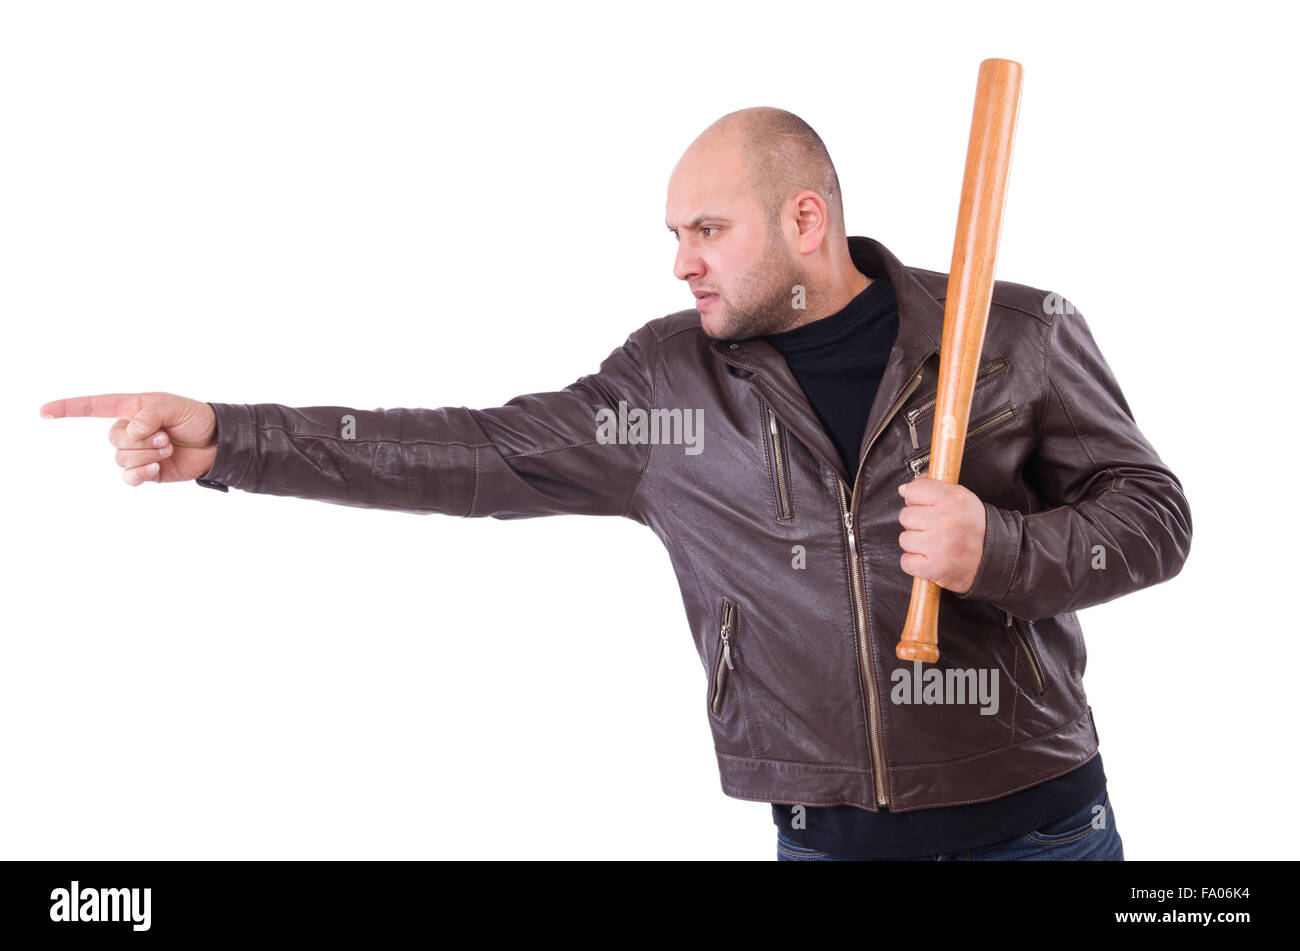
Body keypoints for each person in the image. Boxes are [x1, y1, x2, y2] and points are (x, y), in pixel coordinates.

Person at [40, 107, 1191, 861]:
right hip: (827, 839)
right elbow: (474, 453)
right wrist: (230, 440)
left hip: (1039, 828)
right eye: (672, 232)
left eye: (706, 227)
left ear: (805, 219)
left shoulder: (1013, 332)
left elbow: (1154, 516)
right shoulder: (668, 384)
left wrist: (999, 549)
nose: (680, 258)